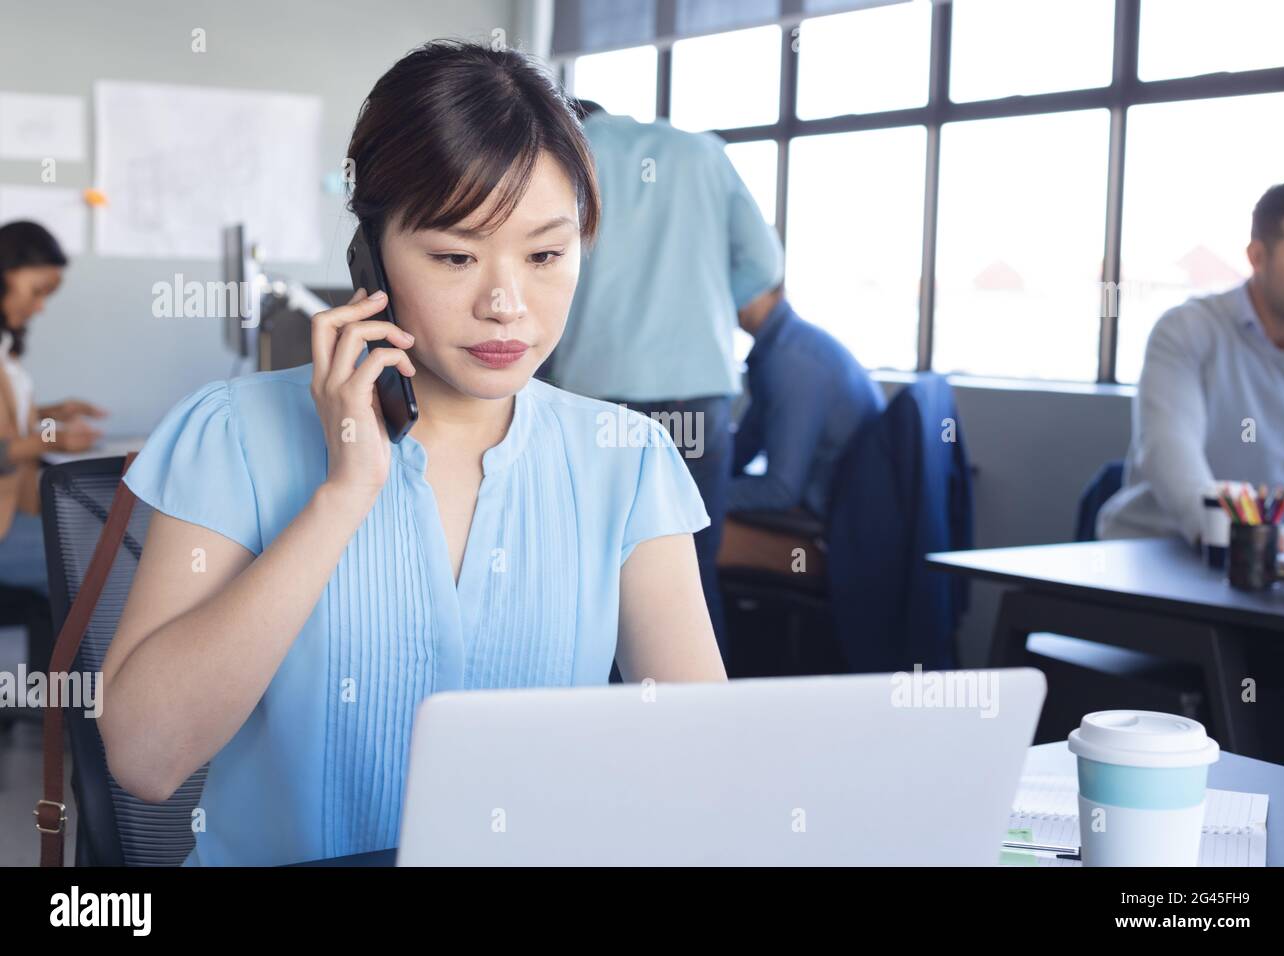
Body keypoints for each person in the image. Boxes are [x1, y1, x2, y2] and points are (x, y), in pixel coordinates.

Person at [99, 40, 726, 867]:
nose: (506, 305)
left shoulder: (627, 459)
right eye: (454, 256)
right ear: (372, 259)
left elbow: (705, 767)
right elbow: (146, 760)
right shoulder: (233, 433)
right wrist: (344, 495)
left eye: (545, 255)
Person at [542, 98, 785, 665]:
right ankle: (702, 737)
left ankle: (591, 738)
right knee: (693, 579)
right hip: (696, 392)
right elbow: (765, 263)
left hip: (593, 394)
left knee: (586, 578)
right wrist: (699, 309)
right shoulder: (704, 152)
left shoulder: (568, 154)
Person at [1098, 179, 1284, 544]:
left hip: (1279, 566)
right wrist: (1254, 546)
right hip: (1163, 549)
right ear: (1258, 257)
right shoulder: (1189, 330)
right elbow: (1171, 459)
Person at [0, 221, 105, 595]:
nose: (40, 306)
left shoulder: (4, 349)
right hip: (5, 527)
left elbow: (9, 428)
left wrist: (54, 413)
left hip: (15, 511)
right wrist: (53, 441)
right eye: (37, 291)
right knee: (102, 557)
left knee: (105, 537)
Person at [729, 282, 885, 519]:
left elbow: (781, 490)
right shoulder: (785, 345)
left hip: (831, 512)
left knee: (693, 522)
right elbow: (746, 444)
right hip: (830, 495)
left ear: (773, 287)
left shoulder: (791, 359)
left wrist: (701, 494)